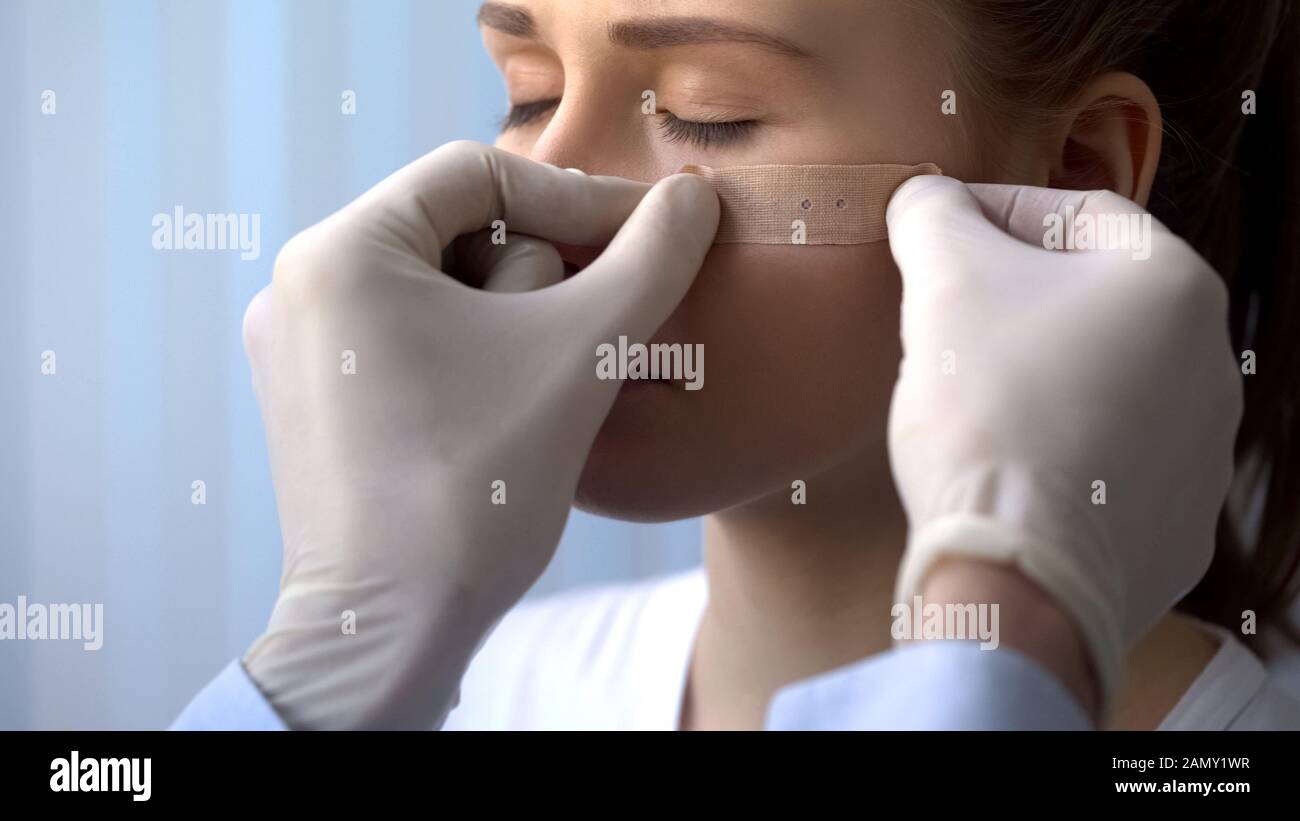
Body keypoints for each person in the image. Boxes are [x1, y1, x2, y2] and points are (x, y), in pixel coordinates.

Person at [176, 0, 1300, 730]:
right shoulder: (497, 694)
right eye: (527, 93)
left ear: (1069, 182)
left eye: (709, 115)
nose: (542, 205)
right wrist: (319, 668)